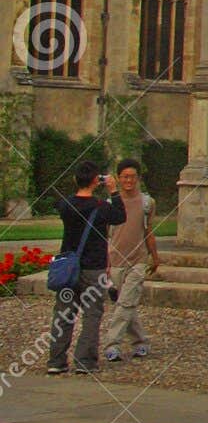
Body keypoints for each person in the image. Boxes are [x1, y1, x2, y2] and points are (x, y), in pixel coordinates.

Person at [48, 160, 126, 376]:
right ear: (95, 180)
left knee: (63, 314)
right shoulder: (101, 208)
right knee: (91, 315)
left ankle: (56, 360)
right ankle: (84, 361)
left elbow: (59, 205)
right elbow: (120, 216)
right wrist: (113, 190)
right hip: (93, 268)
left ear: (75, 180)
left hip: (67, 269)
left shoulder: (65, 205)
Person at [103, 158, 158, 362]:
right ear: (118, 178)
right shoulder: (110, 204)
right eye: (125, 177)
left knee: (125, 302)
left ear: (138, 178)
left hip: (138, 260)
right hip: (116, 260)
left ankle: (112, 344)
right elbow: (106, 235)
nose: (129, 181)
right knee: (128, 303)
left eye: (133, 177)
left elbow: (148, 231)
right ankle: (140, 342)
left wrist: (155, 256)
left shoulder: (147, 202)